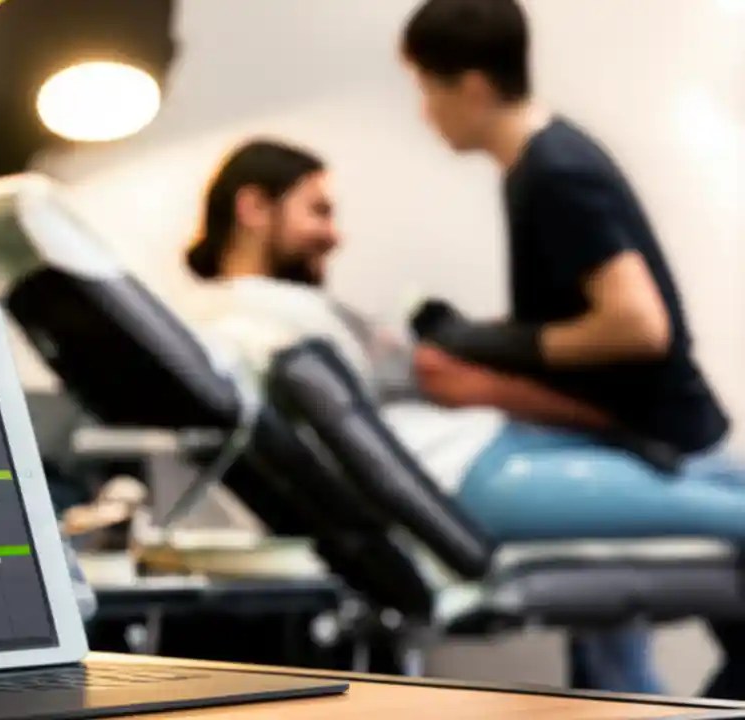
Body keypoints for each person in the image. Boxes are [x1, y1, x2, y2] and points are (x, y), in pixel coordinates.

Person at [185, 139, 745, 697]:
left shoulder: (286, 309)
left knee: (724, 478)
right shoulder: (238, 318)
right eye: (319, 210)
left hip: (494, 449)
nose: (335, 234)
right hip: (474, 479)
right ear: (254, 208)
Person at [398, 0, 739, 695]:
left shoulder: (556, 171)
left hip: (654, 441)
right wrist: (486, 343)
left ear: (472, 86)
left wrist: (497, 345)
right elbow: (586, 315)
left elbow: (638, 326)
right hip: (619, 436)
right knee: (609, 664)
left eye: (426, 90)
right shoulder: (539, 164)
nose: (423, 113)